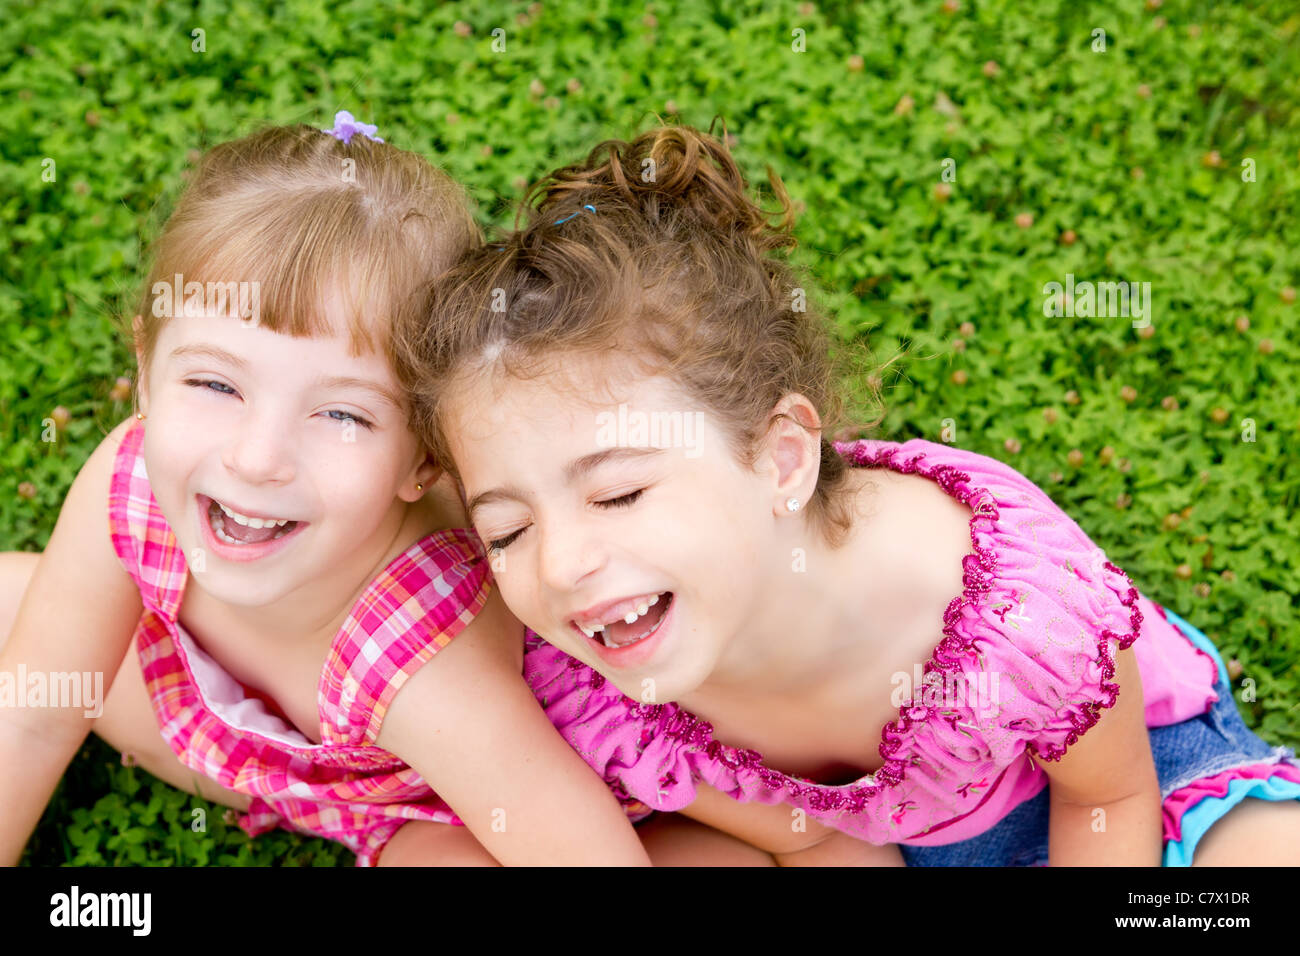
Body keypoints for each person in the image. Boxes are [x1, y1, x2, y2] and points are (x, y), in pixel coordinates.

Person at [398, 121, 1300, 865]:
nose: (560, 564)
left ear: (781, 461)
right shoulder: (605, 687)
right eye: (508, 531)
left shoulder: (1010, 614)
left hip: (1133, 791)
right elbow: (817, 845)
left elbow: (1111, 795)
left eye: (621, 494)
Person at [0, 113, 775, 867]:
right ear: (145, 368)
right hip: (294, 767)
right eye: (212, 382)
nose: (258, 457)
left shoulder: (426, 668)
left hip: (438, 810)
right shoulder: (130, 477)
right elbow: (33, 719)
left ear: (427, 459)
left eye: (341, 413)